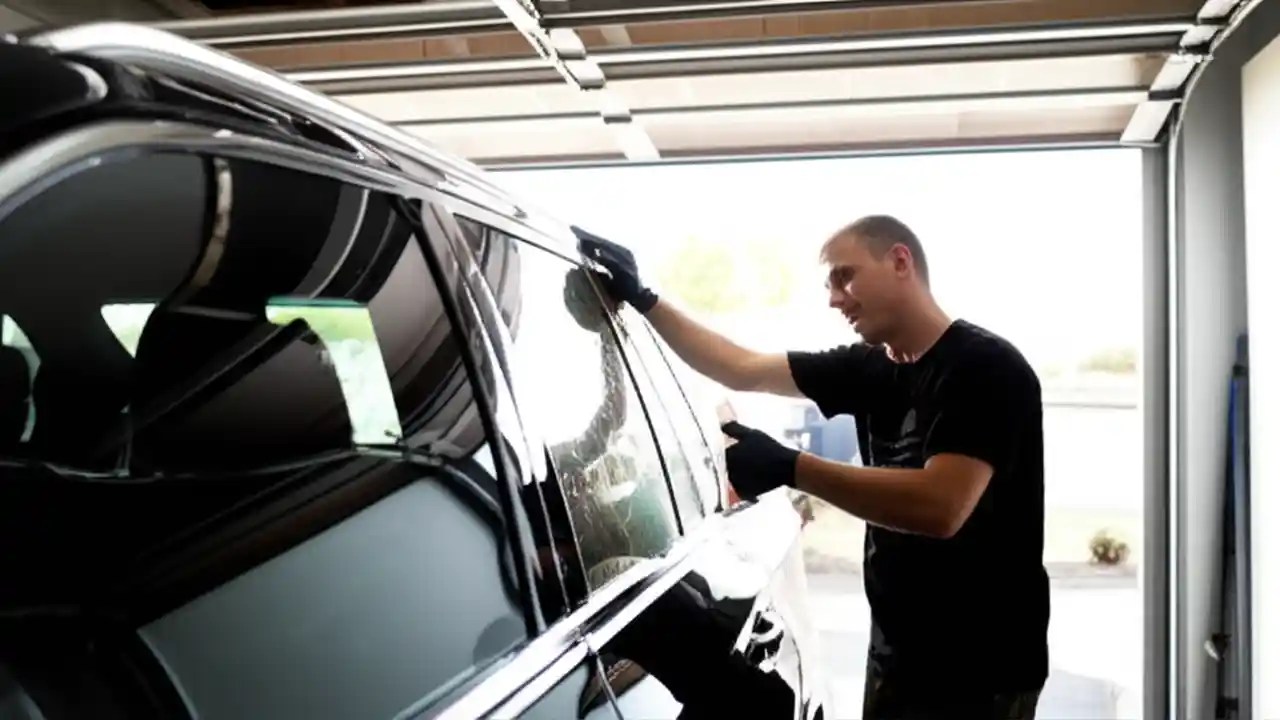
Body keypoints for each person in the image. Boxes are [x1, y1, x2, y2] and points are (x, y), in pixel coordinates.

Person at [573, 215, 1049, 720]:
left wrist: (792, 467)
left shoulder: (985, 368)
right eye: (830, 284)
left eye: (846, 276)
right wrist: (645, 299)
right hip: (899, 656)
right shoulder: (871, 367)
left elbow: (942, 507)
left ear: (900, 261)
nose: (834, 298)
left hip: (982, 671)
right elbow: (742, 367)